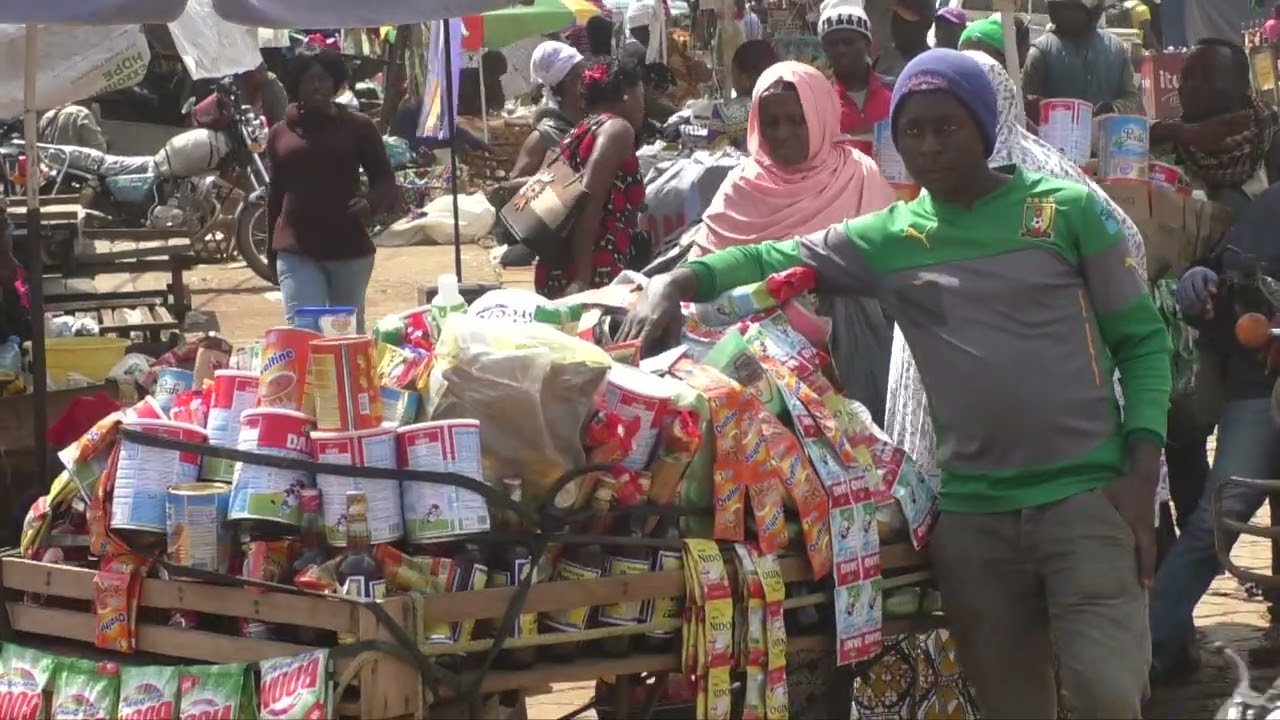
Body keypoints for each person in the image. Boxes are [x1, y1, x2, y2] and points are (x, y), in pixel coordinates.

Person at [621, 49, 1170, 718]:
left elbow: (1142, 342)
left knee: (1108, 694)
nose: (929, 146)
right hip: (974, 519)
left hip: (1085, 501)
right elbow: (775, 256)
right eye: (913, 131)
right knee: (1012, 704)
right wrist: (677, 280)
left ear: (983, 128)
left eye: (947, 127)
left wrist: (1140, 476)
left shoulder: (1066, 212)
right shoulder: (894, 236)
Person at [885, 47, 1150, 487]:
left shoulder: (1039, 178)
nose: (934, 141)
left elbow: (1125, 246)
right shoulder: (951, 179)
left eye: (952, 120)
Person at [1148, 37, 1280, 683]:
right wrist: (1202, 282)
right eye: (1189, 77)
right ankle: (1153, 638)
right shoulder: (1271, 205)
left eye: (1209, 77)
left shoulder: (1265, 157)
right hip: (1255, 385)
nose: (1193, 87)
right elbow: (1219, 268)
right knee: (1218, 519)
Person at [697, 61, 897, 417]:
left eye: (796, 120)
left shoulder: (859, 175)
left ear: (820, 116)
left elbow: (888, 273)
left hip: (849, 364)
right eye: (770, 123)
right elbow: (705, 272)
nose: (782, 134)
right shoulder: (743, 186)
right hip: (757, 374)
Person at [266, 49, 397, 333]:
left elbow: (385, 180)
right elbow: (275, 193)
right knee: (305, 333)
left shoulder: (358, 127)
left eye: (323, 79)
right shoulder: (280, 134)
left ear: (336, 83)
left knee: (345, 336)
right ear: (296, 86)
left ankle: (347, 379)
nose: (317, 86)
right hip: (295, 250)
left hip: (348, 248)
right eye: (308, 80)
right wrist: (270, 252)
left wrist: (370, 203)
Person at [535, 56, 648, 299]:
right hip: (595, 269)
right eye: (641, 94)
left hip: (559, 266)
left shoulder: (579, 131)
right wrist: (582, 278)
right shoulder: (617, 130)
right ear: (625, 94)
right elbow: (589, 200)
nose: (643, 105)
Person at [1150, 38, 1280, 214]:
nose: (1189, 86)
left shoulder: (1271, 140)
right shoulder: (1169, 143)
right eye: (1185, 77)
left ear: (1243, 87)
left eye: (1206, 76)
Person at [1023, 0, 1141, 116]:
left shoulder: (1116, 49)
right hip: (1058, 133)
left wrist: (1113, 109)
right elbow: (1026, 109)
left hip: (1109, 132)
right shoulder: (1040, 52)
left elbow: (1133, 99)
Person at [667, 39, 778, 151]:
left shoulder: (724, 112)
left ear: (746, 79)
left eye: (734, 74)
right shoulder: (782, 107)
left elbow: (715, 150)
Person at [819, 0, 893, 153]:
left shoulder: (894, 91)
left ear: (867, 44)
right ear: (825, 49)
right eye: (833, 43)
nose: (841, 49)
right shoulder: (819, 100)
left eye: (848, 41)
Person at [510, 42, 587, 179]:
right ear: (559, 88)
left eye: (586, 74)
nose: (586, 82)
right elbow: (512, 188)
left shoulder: (593, 120)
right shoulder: (543, 137)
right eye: (578, 78)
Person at [872, 0, 935, 77]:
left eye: (905, 20)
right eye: (896, 16)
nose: (897, 24)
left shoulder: (929, 65)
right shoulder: (885, 54)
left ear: (928, 24)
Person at [958, 14, 1031, 69]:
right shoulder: (1015, 29)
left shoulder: (988, 22)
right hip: (990, 46)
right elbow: (1020, 59)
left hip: (966, 38)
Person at [37, 103, 107, 152]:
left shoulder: (47, 117)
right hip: (76, 170)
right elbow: (98, 150)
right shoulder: (81, 113)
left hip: (52, 169)